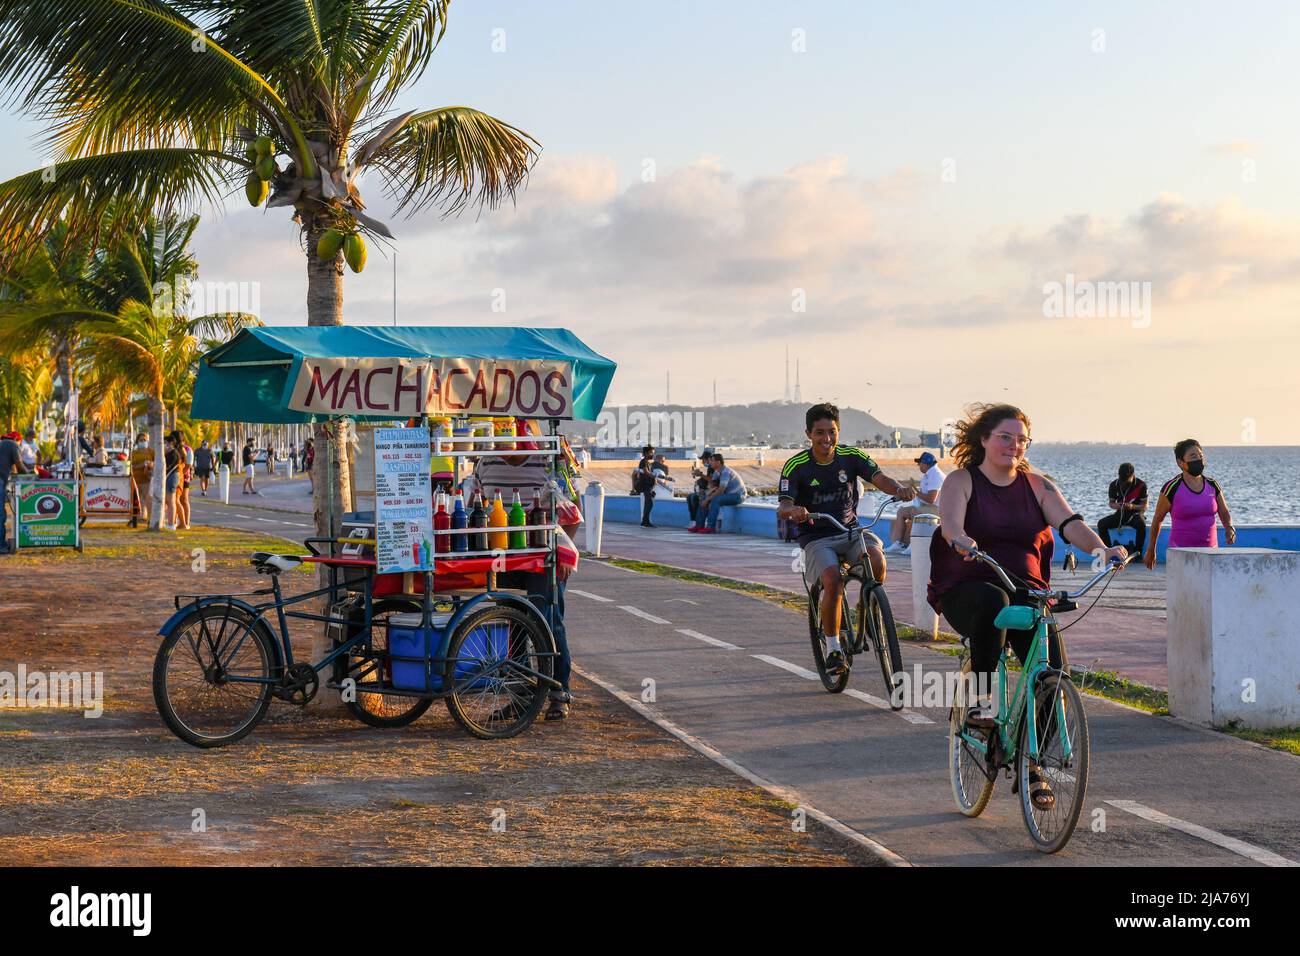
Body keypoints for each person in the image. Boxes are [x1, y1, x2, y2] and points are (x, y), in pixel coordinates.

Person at [927, 403, 1125, 811]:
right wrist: (960, 540)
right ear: (983, 438)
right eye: (1004, 436)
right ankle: (982, 703)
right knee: (992, 601)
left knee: (1052, 675)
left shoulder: (1037, 486)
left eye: (1021, 439)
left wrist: (1102, 549)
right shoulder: (961, 482)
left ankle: (1035, 765)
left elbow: (1070, 524)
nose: (1013, 445)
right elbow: (950, 524)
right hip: (968, 584)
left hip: (1027, 590)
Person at [776, 404, 916, 673]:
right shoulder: (797, 465)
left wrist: (898, 490)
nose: (826, 438)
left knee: (877, 561)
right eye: (820, 433)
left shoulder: (851, 456)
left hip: (850, 531)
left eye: (832, 432)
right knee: (832, 580)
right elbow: (783, 505)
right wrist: (793, 510)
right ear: (808, 433)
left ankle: (869, 608)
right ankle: (834, 649)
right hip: (817, 537)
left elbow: (879, 478)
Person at [461, 424, 583, 719]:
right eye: (500, 433)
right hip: (503, 557)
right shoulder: (486, 462)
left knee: (548, 621)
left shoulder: (547, 462)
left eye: (510, 432)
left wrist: (565, 551)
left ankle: (559, 692)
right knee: (514, 622)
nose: (505, 440)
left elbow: (574, 511)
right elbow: (473, 504)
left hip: (543, 557)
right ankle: (521, 695)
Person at [1143, 439, 1235, 569]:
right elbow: (1158, 519)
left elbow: (1224, 511)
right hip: (1181, 554)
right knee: (1185, 590)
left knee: (1209, 589)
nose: (1199, 459)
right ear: (1180, 462)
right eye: (1193, 456)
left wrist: (1229, 528)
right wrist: (1151, 550)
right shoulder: (1172, 487)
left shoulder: (1213, 485)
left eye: (1201, 456)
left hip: (1211, 554)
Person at [886, 451, 945, 554]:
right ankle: (899, 544)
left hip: (938, 510)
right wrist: (913, 492)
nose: (918, 466)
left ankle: (914, 545)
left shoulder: (936, 475)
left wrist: (914, 490)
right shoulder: (928, 475)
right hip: (928, 507)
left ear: (925, 463)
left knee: (914, 511)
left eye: (919, 463)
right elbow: (924, 497)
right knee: (901, 512)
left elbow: (931, 499)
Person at [691, 452, 749, 533]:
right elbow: (714, 484)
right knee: (703, 498)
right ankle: (698, 525)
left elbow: (721, 490)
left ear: (718, 462)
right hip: (728, 494)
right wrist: (706, 495)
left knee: (715, 500)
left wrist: (708, 499)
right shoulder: (717, 472)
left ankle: (710, 527)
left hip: (738, 495)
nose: (709, 462)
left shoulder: (726, 472)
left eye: (712, 461)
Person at [1097, 462, 1147, 556]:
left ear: (1133, 475)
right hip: (1120, 514)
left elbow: (1145, 505)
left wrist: (1132, 506)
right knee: (1101, 524)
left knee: (1141, 524)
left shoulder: (1141, 485)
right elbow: (1111, 504)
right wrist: (1118, 506)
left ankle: (1138, 553)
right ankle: (1109, 551)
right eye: (1122, 480)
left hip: (1134, 514)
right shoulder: (1114, 484)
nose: (1123, 483)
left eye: (1126, 481)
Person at [0, 430, 32, 553]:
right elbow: (19, 465)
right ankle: (1, 546)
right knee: (0, 515)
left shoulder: (3, 443)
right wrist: (29, 472)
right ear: (17, 440)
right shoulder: (13, 445)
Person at [685, 448, 715, 526]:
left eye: (703, 460)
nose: (702, 462)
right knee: (690, 497)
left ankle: (699, 522)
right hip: (708, 490)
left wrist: (701, 475)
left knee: (694, 498)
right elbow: (707, 479)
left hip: (713, 492)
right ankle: (693, 520)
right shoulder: (709, 468)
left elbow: (712, 480)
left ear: (709, 459)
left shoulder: (713, 468)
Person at [130, 432, 154, 523]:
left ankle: (150, 518)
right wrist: (141, 465)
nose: (143, 441)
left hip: (147, 479)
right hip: (135, 479)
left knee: (148, 499)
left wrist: (150, 465)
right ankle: (138, 517)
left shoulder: (151, 452)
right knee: (137, 499)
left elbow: (156, 463)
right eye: (141, 440)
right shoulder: (134, 453)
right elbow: (131, 465)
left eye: (145, 440)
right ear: (137, 441)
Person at [634, 444, 656, 527]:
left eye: (653, 453)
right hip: (645, 485)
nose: (652, 454)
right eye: (651, 453)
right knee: (649, 503)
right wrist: (654, 476)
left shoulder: (648, 462)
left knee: (649, 503)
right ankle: (645, 521)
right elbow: (646, 472)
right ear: (646, 453)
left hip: (649, 486)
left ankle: (645, 521)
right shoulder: (643, 461)